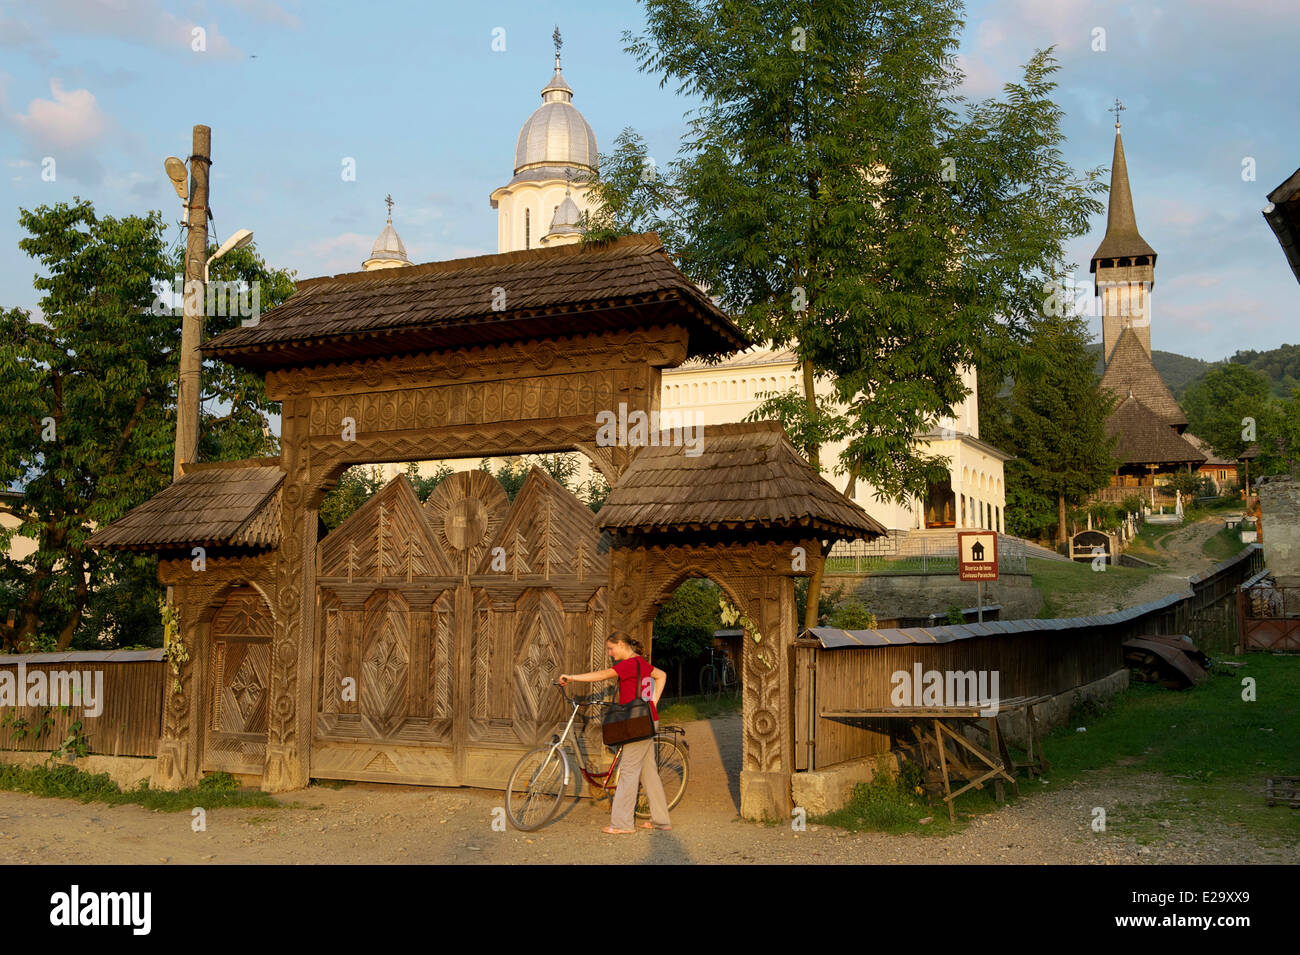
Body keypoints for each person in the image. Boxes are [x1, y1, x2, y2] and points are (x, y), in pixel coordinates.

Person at [558, 630, 672, 834]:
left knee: (628, 771)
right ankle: (662, 820)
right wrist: (653, 702)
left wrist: (572, 677)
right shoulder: (641, 662)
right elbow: (662, 675)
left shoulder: (628, 664)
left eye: (611, 648)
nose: (610, 653)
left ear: (621, 644)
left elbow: (601, 675)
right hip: (648, 719)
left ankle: (622, 824)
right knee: (648, 772)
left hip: (637, 723)